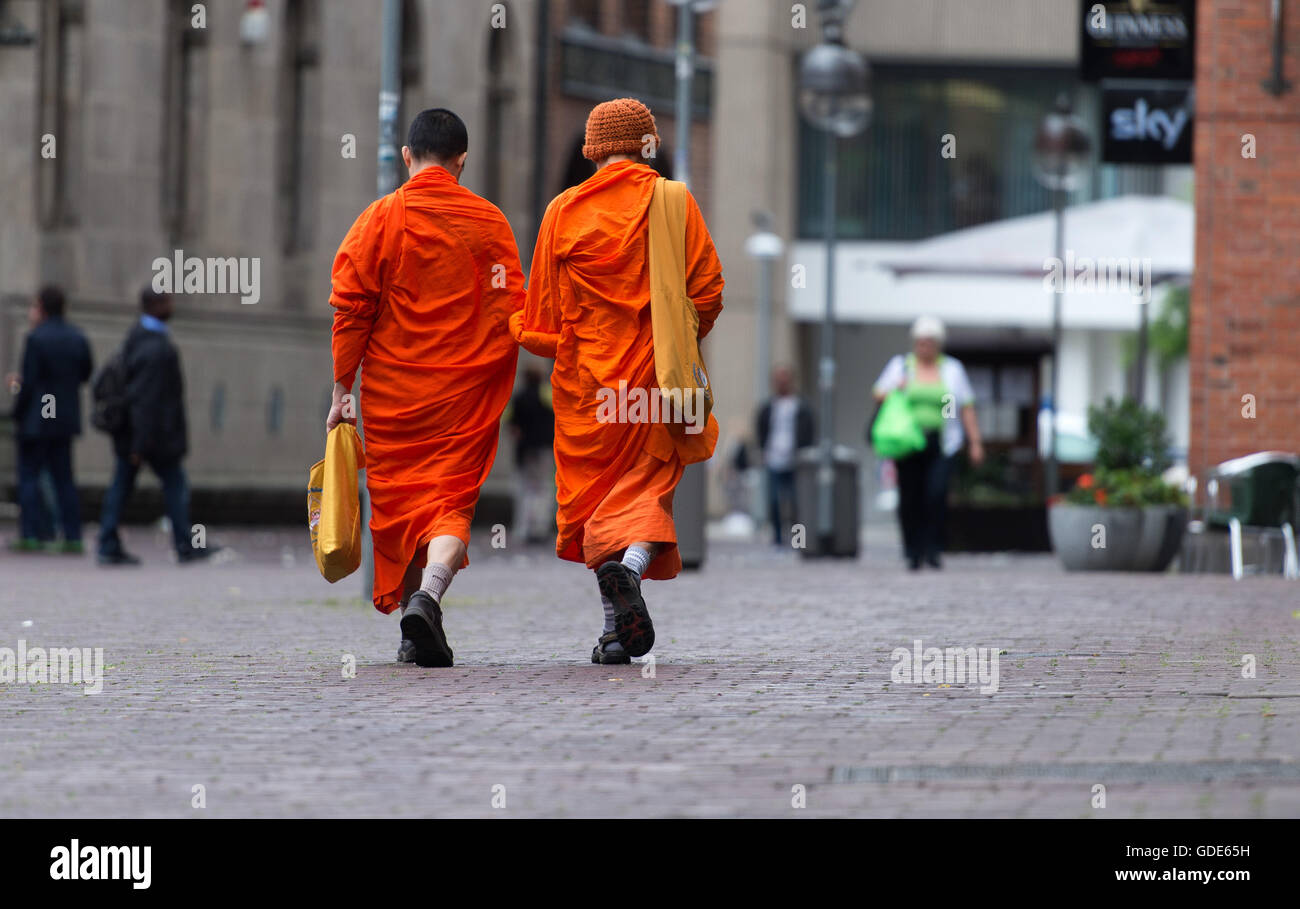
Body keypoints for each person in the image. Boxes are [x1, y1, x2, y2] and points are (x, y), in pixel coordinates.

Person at [511, 97, 724, 665]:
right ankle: (628, 577)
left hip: (588, 393)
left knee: (599, 504)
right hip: (654, 384)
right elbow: (708, 291)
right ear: (648, 143)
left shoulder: (562, 211)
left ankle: (613, 632)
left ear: (593, 150)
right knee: (646, 494)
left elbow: (543, 324)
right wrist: (676, 330)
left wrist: (512, 324)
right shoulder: (673, 202)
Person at [327, 107, 523, 668]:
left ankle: (417, 621)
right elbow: (513, 307)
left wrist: (343, 390)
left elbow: (350, 312)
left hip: (393, 400)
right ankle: (428, 599)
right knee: (449, 504)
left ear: (406, 156)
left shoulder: (379, 219)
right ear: (462, 161)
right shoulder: (490, 224)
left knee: (406, 508)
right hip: (462, 398)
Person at [98, 288, 215, 566]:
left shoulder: (138, 337)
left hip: (141, 433)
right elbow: (145, 399)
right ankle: (183, 544)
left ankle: (109, 542)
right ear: (156, 305)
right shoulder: (156, 347)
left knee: (124, 486)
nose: (173, 305)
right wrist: (140, 444)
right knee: (172, 486)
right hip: (152, 436)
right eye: (168, 301)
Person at [872, 316, 984, 571]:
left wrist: (975, 441)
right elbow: (878, 394)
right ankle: (912, 550)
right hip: (909, 440)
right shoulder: (902, 366)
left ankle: (933, 548)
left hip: (942, 440)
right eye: (921, 343)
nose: (925, 348)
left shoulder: (951, 370)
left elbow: (966, 406)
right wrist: (895, 389)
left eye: (929, 343)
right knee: (910, 496)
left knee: (936, 494)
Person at [9, 286, 93, 553]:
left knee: (30, 476)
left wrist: (17, 411)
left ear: (42, 308)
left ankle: (31, 534)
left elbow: (30, 382)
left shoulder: (36, 339)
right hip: (64, 415)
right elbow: (85, 373)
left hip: (39, 416)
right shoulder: (77, 337)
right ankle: (72, 535)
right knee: (64, 478)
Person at [755, 365, 814, 546]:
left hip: (796, 460)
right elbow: (762, 430)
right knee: (774, 501)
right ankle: (779, 539)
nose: (782, 383)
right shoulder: (768, 407)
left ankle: (798, 541)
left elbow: (809, 431)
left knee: (797, 502)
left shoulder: (801, 406)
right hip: (774, 459)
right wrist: (763, 450)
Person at [507, 364, 555, 544]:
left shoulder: (519, 398)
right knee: (543, 488)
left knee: (524, 489)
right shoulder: (547, 396)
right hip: (544, 449)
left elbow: (512, 425)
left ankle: (523, 529)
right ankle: (540, 528)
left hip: (524, 451)